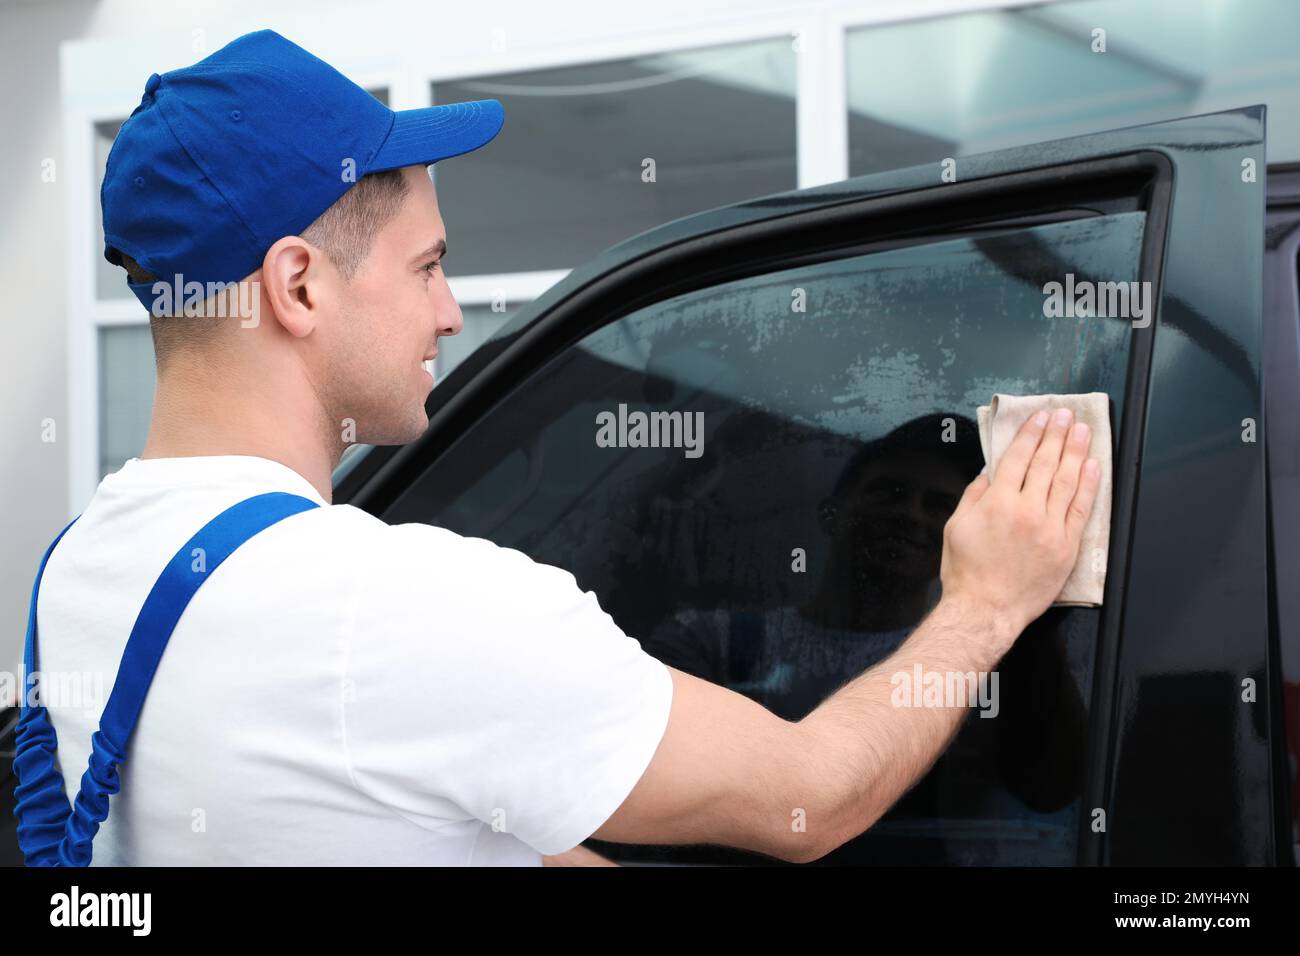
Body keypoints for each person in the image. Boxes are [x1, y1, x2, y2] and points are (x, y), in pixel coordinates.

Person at [27, 30, 1100, 866]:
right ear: (298, 284)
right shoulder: (396, 606)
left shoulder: (80, 565)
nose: (449, 313)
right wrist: (984, 602)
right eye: (427, 266)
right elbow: (809, 794)